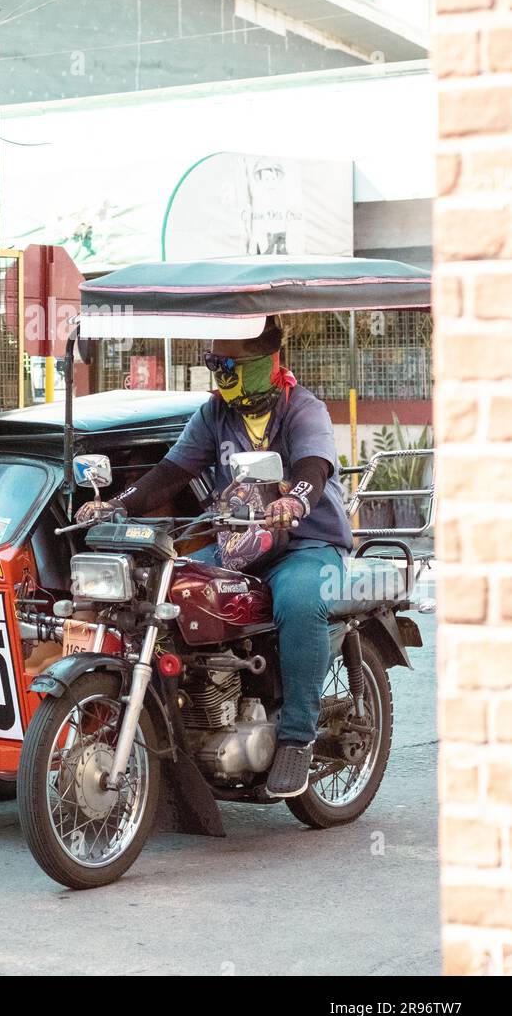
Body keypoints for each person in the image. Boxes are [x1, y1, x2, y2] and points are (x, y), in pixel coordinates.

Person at [76, 316, 352, 799]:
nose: (219, 374)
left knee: (301, 602)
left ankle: (296, 739)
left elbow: (315, 468)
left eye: (229, 363)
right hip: (238, 544)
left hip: (307, 543)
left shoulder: (303, 409)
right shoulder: (213, 415)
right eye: (212, 363)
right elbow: (171, 472)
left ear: (266, 362)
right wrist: (116, 505)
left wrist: (295, 501)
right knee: (165, 587)